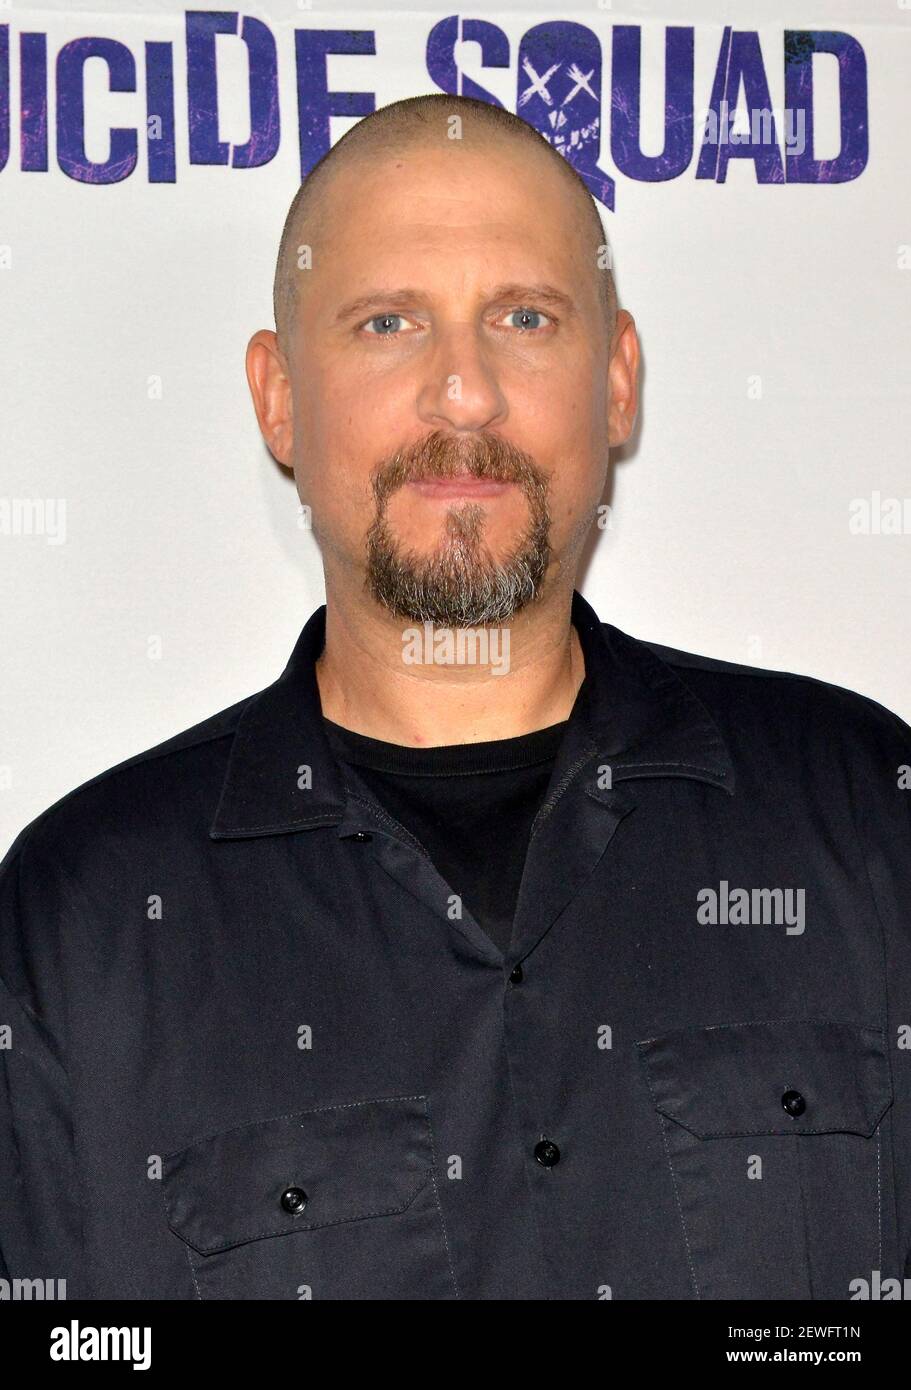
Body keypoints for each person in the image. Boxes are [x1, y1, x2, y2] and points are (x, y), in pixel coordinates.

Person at [1, 94, 909, 1301]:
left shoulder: (863, 817)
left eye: (523, 317)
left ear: (617, 378)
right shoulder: (84, 922)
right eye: (387, 324)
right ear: (278, 398)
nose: (464, 395)